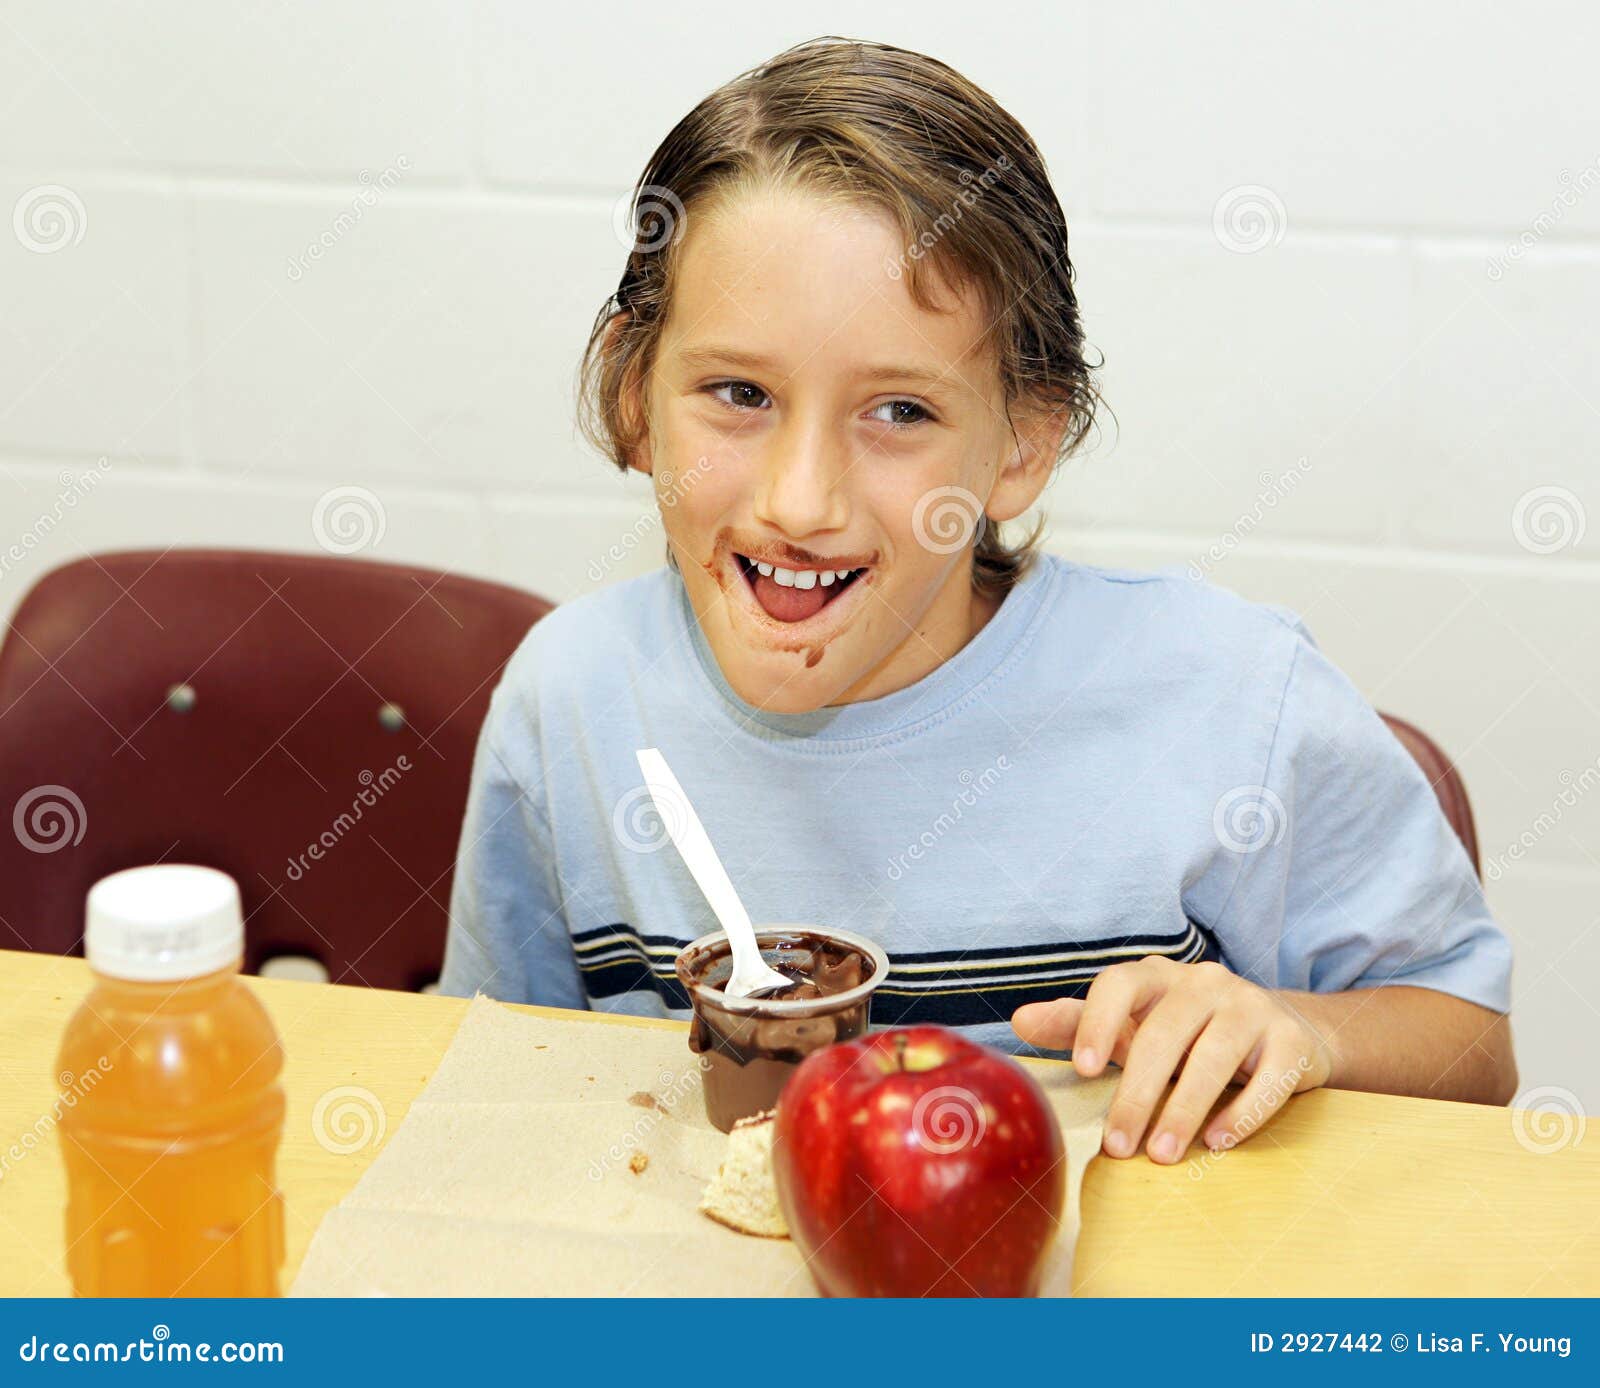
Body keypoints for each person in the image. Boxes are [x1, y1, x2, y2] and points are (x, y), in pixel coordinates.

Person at [440, 36, 1515, 1163]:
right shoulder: (570, 699)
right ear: (632, 393)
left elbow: (1476, 1055)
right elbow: (490, 1090)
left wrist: (1302, 1027)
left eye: (899, 410)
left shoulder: (1233, 699)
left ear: (1024, 440)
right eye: (739, 393)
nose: (800, 500)